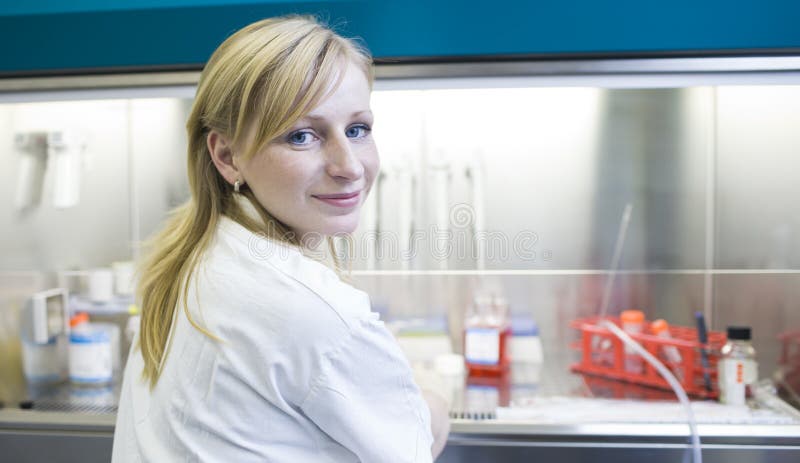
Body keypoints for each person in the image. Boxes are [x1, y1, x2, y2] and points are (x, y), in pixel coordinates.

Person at [112, 15, 449, 462]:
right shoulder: (313, 312)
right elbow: (413, 448)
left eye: (357, 129)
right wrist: (435, 393)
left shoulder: (189, 255)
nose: (348, 165)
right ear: (227, 156)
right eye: (302, 136)